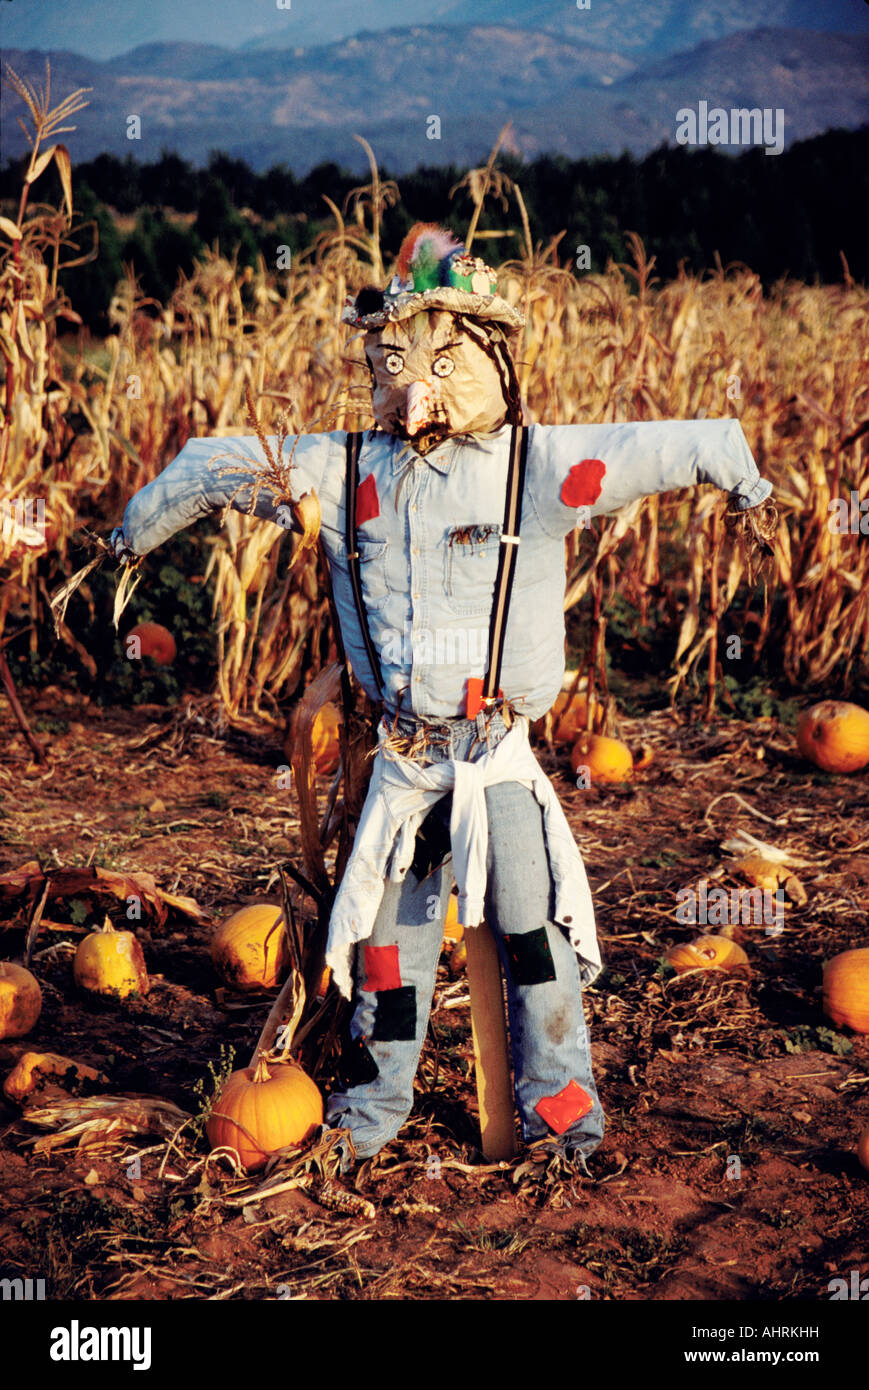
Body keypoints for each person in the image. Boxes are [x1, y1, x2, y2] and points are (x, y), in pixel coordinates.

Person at [112, 223, 773, 1173]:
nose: (413, 385)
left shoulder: (532, 470)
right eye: (393, 363)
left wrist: (739, 475)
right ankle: (369, 1111)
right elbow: (216, 463)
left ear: (490, 361)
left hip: (495, 758)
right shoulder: (341, 474)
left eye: (442, 361)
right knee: (389, 949)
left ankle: (566, 1124)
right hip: (406, 764)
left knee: (534, 944)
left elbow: (659, 446)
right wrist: (134, 534)